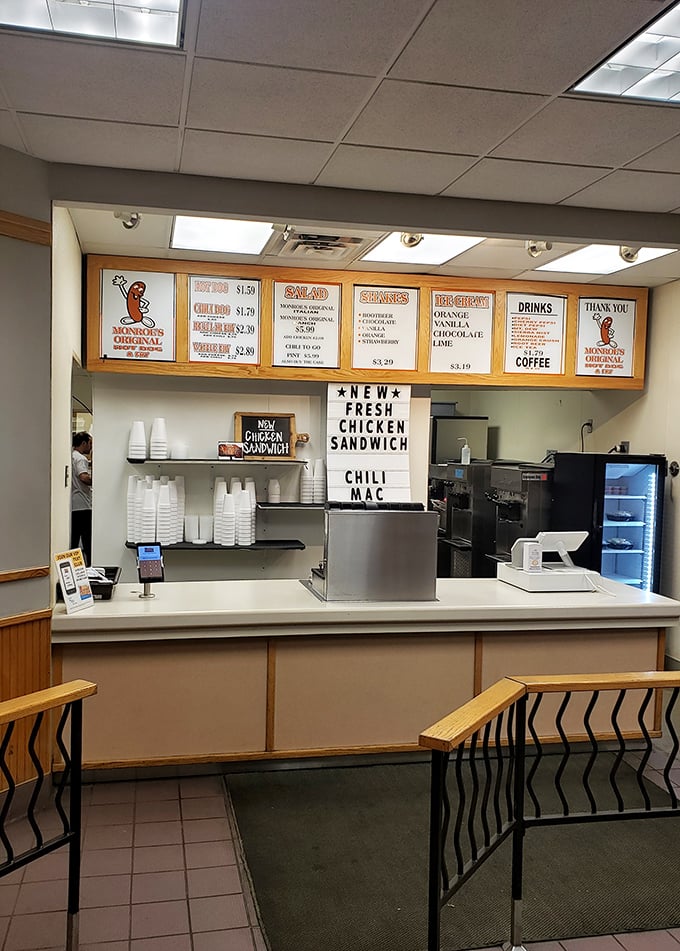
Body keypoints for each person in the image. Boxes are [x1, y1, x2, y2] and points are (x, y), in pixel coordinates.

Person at [71, 431, 92, 565]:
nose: (91, 447)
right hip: (83, 504)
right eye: (90, 443)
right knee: (87, 539)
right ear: (83, 443)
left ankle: (73, 567)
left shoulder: (72, 456)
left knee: (74, 538)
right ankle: (89, 565)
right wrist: (96, 479)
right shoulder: (80, 459)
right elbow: (83, 476)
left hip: (74, 505)